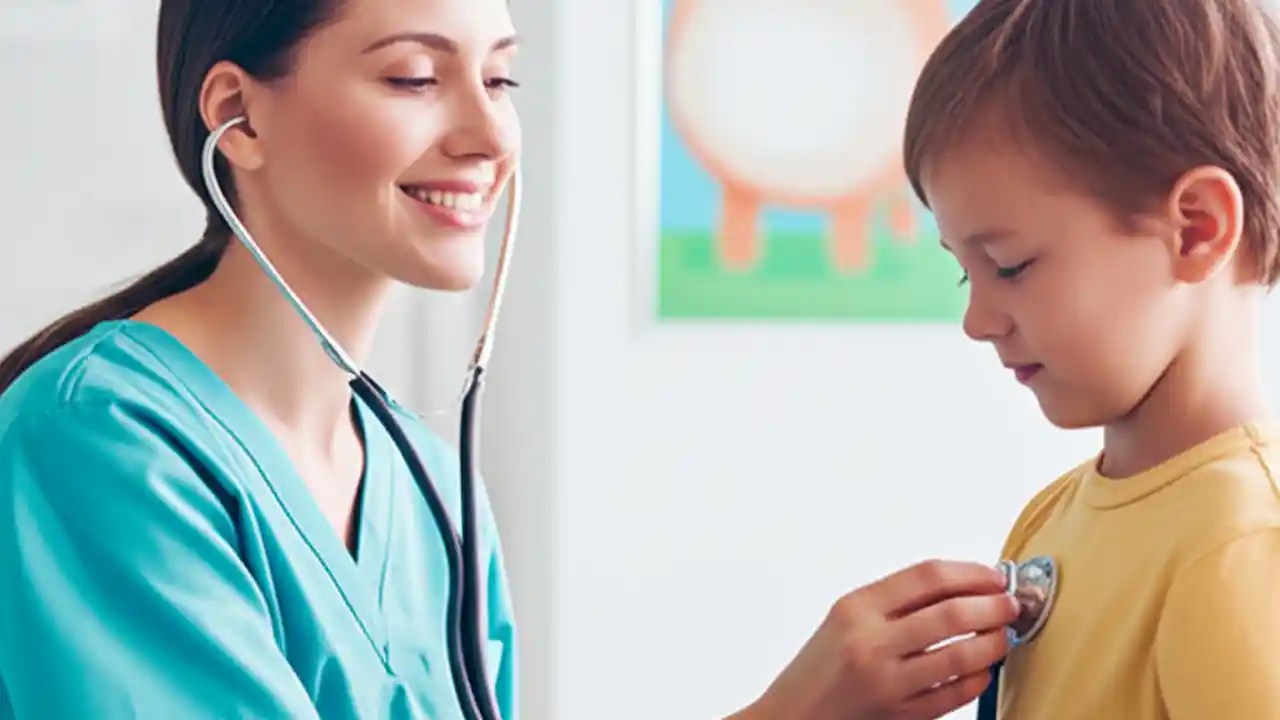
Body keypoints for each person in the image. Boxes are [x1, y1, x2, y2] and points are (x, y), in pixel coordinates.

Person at [0, 2, 1019, 719]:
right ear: (239, 115)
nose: (490, 133)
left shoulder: (427, 484)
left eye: (500, 77)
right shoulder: (94, 445)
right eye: (412, 76)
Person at [903, 0, 1280, 717]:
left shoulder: (1241, 545)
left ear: (1196, 230)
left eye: (1010, 266)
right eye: (964, 272)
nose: (977, 321)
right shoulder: (1051, 519)